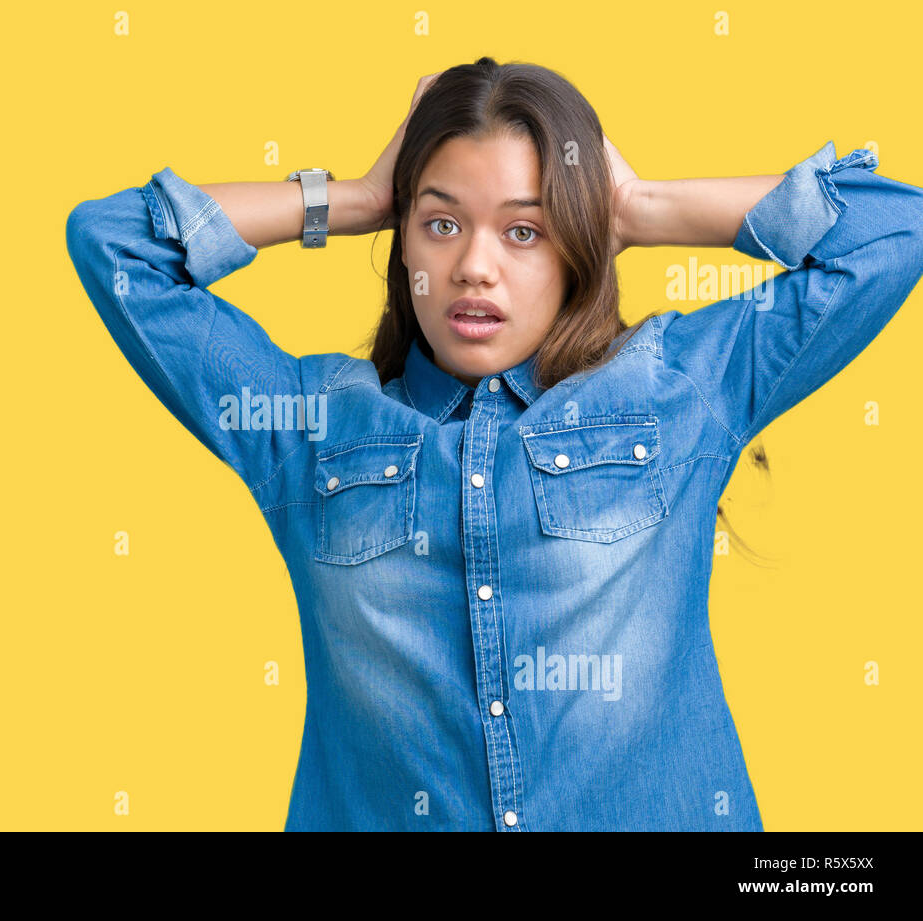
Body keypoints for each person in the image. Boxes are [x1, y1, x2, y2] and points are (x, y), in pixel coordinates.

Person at [65, 56, 923, 831]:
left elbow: (892, 230)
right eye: (441, 224)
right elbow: (114, 243)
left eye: (526, 229)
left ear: (578, 246)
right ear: (402, 241)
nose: (476, 266)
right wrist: (358, 196)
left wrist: (636, 207)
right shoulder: (307, 424)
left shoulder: (678, 391)